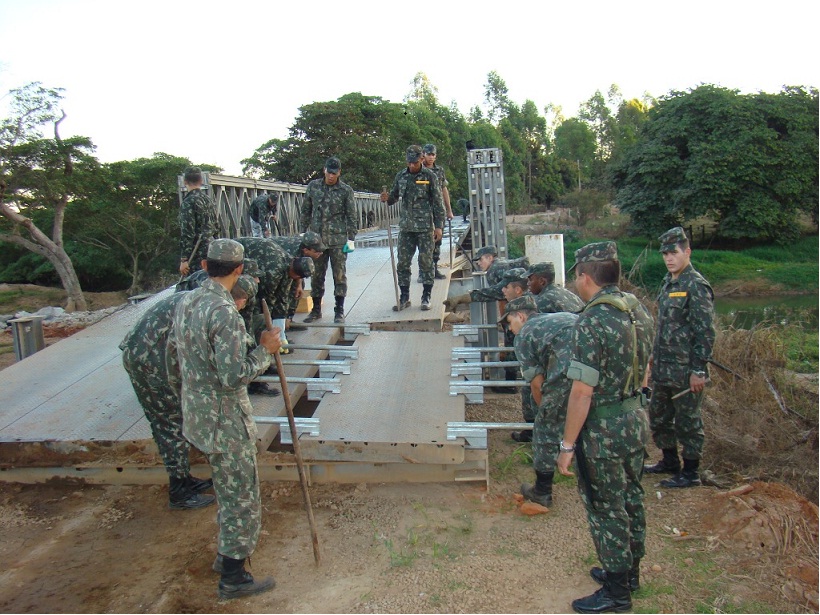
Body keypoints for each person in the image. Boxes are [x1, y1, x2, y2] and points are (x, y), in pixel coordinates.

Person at [167, 238, 282, 600]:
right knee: (241, 494)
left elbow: (177, 356)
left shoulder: (187, 301)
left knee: (226, 486)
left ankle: (224, 557)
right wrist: (265, 350)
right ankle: (233, 575)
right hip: (225, 420)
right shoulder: (224, 312)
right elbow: (234, 376)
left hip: (199, 416)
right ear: (239, 269)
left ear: (204, 264)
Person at [556, 241, 654, 614]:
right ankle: (629, 573)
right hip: (634, 420)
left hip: (605, 429)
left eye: (577, 275)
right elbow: (645, 365)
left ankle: (616, 594)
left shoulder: (593, 319)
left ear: (585, 276)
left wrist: (567, 445)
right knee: (631, 496)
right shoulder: (637, 309)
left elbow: (582, 391)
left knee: (606, 505)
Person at [120, 292, 216, 511]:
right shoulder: (209, 307)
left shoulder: (202, 298)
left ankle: (185, 478)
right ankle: (179, 492)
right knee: (168, 423)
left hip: (154, 356)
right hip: (149, 362)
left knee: (175, 420)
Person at [644, 227, 716, 488]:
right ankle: (669, 461)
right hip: (664, 367)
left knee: (688, 421)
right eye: (664, 254)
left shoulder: (695, 285)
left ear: (687, 252)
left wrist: (699, 369)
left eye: (673, 253)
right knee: (659, 415)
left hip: (686, 371)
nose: (668, 258)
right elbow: (664, 325)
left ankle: (691, 472)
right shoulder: (668, 282)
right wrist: (653, 357)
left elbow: (705, 331)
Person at [501, 295, 577, 507]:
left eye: (509, 322)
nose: (510, 329)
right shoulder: (560, 318)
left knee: (544, 425)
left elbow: (536, 384)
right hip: (592, 371)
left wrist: (546, 411)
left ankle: (542, 492)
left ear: (521, 316)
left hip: (565, 374)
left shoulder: (525, 334)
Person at [380, 145, 444, 311]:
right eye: (409, 163)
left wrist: (438, 227)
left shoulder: (429, 176)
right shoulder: (401, 176)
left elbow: (438, 203)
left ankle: (426, 296)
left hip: (424, 228)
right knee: (402, 263)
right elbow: (393, 197)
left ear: (421, 159)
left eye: (415, 162)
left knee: (426, 262)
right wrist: (387, 198)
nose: (412, 166)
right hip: (406, 228)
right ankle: (404, 297)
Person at [300, 157, 357, 324]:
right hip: (317, 241)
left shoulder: (346, 190)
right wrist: (303, 234)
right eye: (329, 172)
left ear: (339, 173)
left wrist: (351, 238)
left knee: (339, 276)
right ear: (324, 170)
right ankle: (316, 310)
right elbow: (306, 210)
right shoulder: (314, 186)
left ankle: (339, 310)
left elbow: (351, 215)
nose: (331, 176)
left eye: (334, 173)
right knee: (316, 275)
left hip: (338, 241)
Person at [236, 237, 315, 356]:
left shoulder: (288, 264)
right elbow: (267, 301)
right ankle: (256, 349)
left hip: (255, 260)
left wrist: (281, 335)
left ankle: (269, 342)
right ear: (294, 272)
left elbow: (282, 299)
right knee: (256, 311)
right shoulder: (274, 270)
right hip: (238, 257)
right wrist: (272, 334)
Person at [272, 231, 326, 331]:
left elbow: (298, 270)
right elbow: (285, 288)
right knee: (281, 293)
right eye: (317, 251)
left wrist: (299, 285)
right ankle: (279, 326)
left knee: (299, 287)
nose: (321, 253)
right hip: (273, 263)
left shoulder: (304, 249)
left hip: (288, 265)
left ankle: (289, 319)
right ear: (306, 250)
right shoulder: (291, 252)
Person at [418, 143, 454, 282]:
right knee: (423, 242)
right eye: (428, 154)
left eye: (433, 154)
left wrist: (449, 210)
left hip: (437, 210)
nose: (431, 157)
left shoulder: (439, 171)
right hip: (422, 211)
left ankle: (434, 268)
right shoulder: (418, 170)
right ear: (423, 155)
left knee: (437, 240)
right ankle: (423, 271)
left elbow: (444, 190)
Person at [178, 167, 219, 277]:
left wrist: (184, 259)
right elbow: (216, 225)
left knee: (196, 284)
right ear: (201, 181)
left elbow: (188, 232)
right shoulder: (208, 199)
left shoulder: (188, 202)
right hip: (212, 248)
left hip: (197, 252)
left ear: (185, 181)